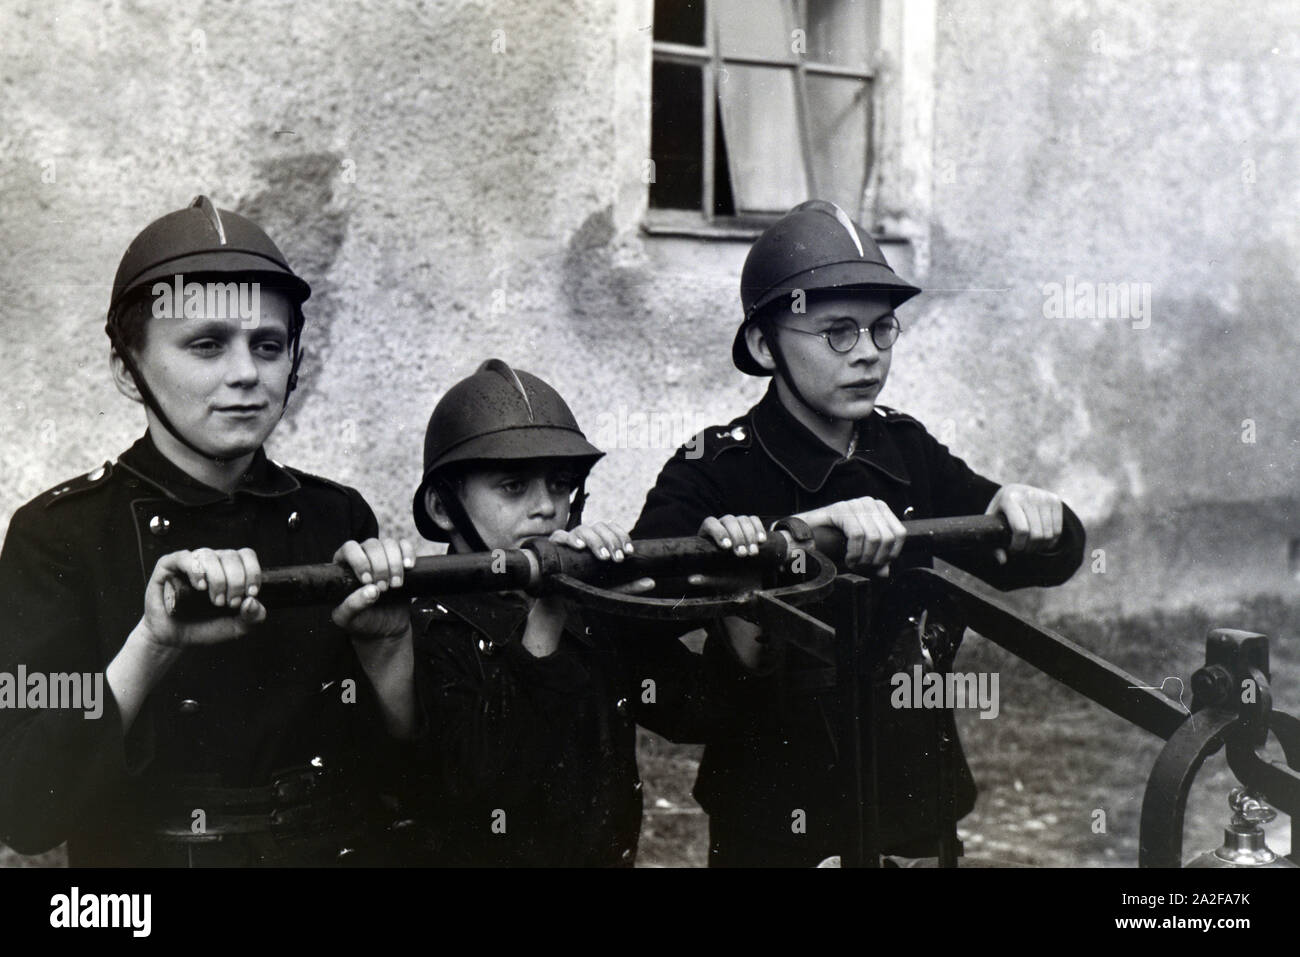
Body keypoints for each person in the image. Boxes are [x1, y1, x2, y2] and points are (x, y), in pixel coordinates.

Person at [632, 199, 1087, 867]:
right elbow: (634, 598)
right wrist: (787, 542)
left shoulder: (905, 449)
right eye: (837, 333)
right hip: (776, 816)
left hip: (910, 800)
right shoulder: (718, 464)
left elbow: (1041, 556)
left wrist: (1028, 513)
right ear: (764, 345)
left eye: (883, 329)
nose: (868, 355)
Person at [0, 196, 420, 866]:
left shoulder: (335, 518)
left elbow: (409, 777)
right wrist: (152, 645)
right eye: (206, 344)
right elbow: (24, 806)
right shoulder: (61, 536)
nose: (247, 372)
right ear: (126, 369)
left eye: (268, 345)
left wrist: (391, 655)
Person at [408, 359, 758, 866]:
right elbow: (482, 788)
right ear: (444, 509)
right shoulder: (426, 623)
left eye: (560, 484)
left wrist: (740, 602)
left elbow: (697, 712)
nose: (547, 508)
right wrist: (548, 616)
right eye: (513, 487)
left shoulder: (590, 608)